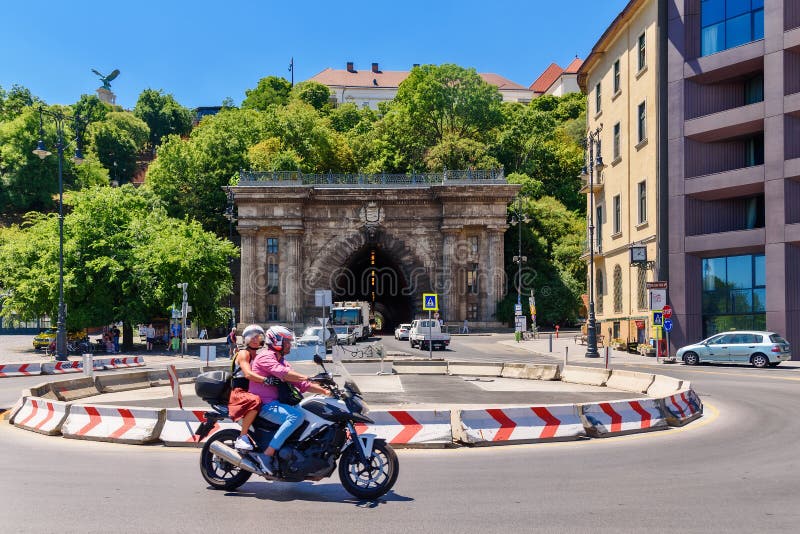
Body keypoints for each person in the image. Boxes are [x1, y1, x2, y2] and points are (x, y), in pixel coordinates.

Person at [248, 325, 330, 475]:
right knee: (296, 416)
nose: (290, 345)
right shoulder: (265, 356)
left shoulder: (282, 361)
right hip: (264, 405)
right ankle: (268, 454)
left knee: (307, 412)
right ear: (277, 341)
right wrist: (307, 376)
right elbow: (284, 374)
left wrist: (326, 390)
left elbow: (301, 384)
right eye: (287, 342)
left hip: (278, 404)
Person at [229, 324, 268, 452]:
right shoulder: (243, 354)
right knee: (255, 400)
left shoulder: (257, 356)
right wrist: (266, 380)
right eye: (252, 337)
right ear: (245, 339)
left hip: (251, 390)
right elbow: (248, 374)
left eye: (258, 337)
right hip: (240, 392)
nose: (256, 339)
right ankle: (242, 436)